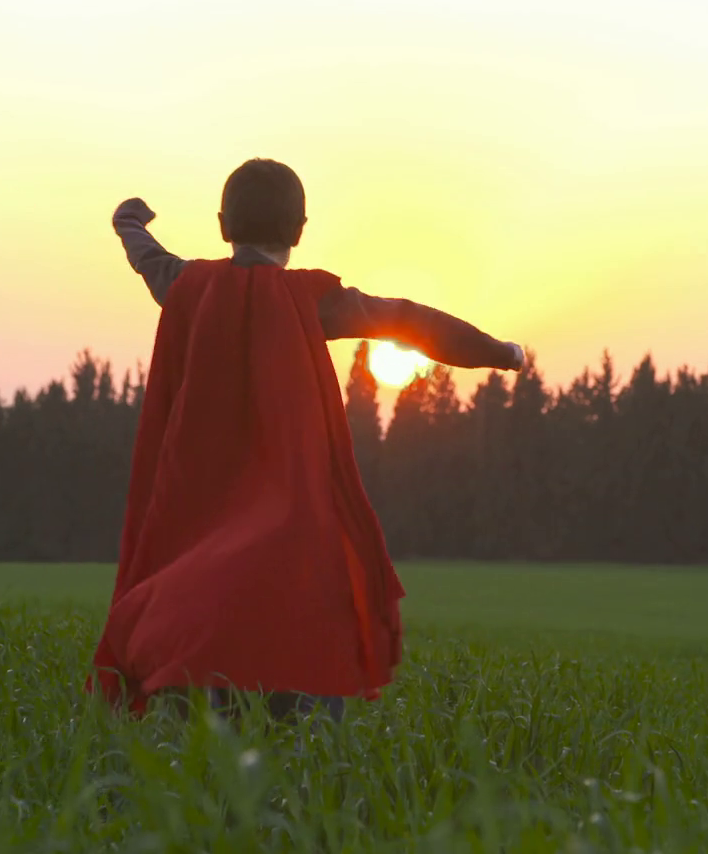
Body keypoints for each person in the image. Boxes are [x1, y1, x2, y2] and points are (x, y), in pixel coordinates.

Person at [88, 158, 524, 722]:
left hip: (199, 539)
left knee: (194, 672)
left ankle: (201, 749)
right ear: (299, 230)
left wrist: (129, 220)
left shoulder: (188, 285)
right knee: (309, 668)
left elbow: (146, 257)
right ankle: (303, 757)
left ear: (223, 225)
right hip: (291, 534)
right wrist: (500, 353)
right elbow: (410, 320)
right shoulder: (311, 299)